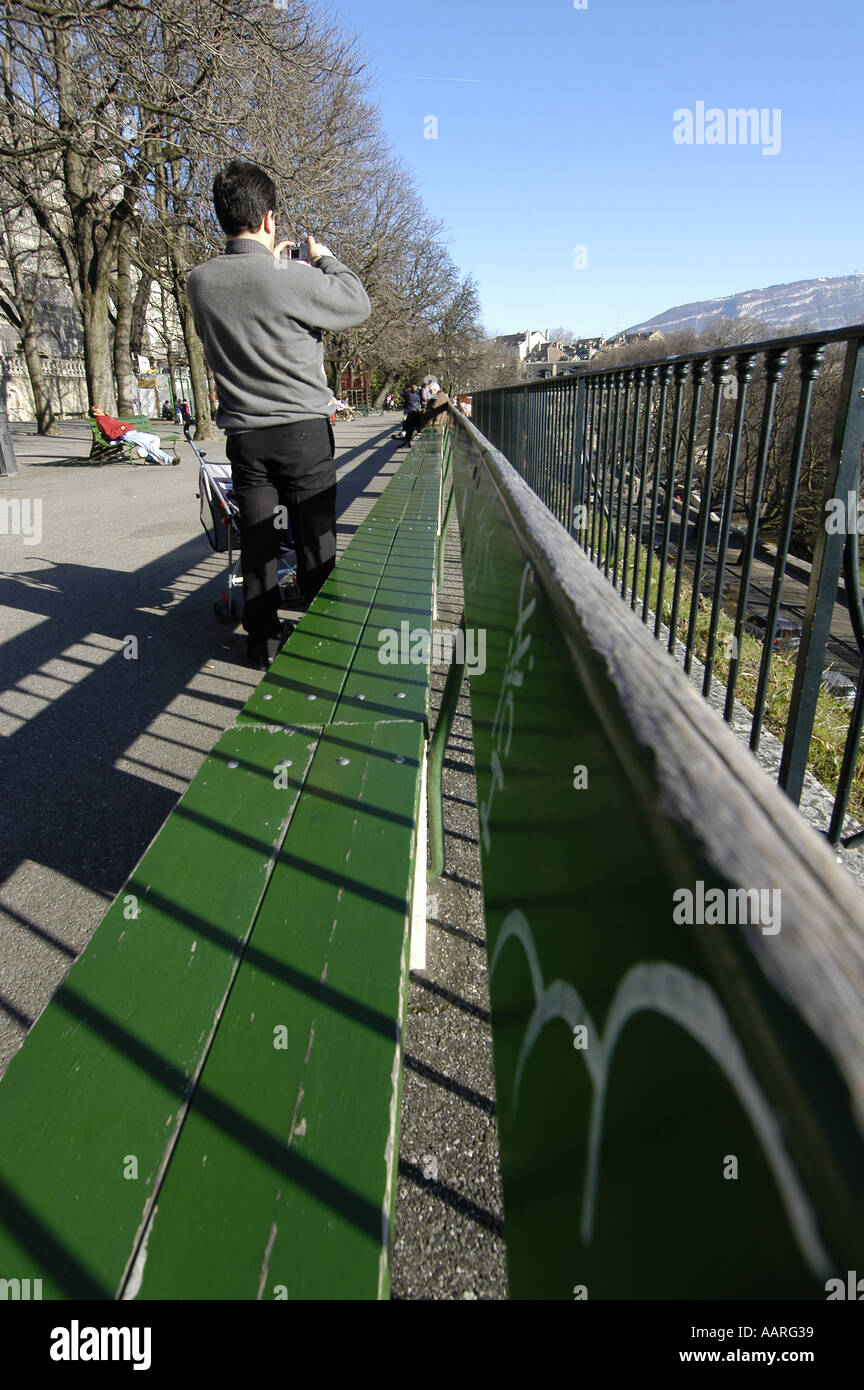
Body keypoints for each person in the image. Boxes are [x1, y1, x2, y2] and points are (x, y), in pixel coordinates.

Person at [186, 160, 371, 669]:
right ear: (270, 217)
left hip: (246, 437)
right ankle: (324, 638)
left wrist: (279, 264)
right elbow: (357, 304)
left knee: (258, 540)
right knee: (315, 538)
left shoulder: (198, 282)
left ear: (223, 215)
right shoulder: (292, 276)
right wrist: (324, 259)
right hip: (303, 434)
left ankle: (263, 641)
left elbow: (249, 300)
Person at [89, 407, 180, 466]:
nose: (100, 408)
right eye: (96, 408)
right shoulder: (101, 420)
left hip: (132, 431)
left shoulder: (107, 417)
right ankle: (170, 460)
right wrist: (123, 428)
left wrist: (125, 427)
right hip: (126, 434)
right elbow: (111, 434)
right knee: (148, 445)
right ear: (95, 413)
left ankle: (151, 459)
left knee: (155, 438)